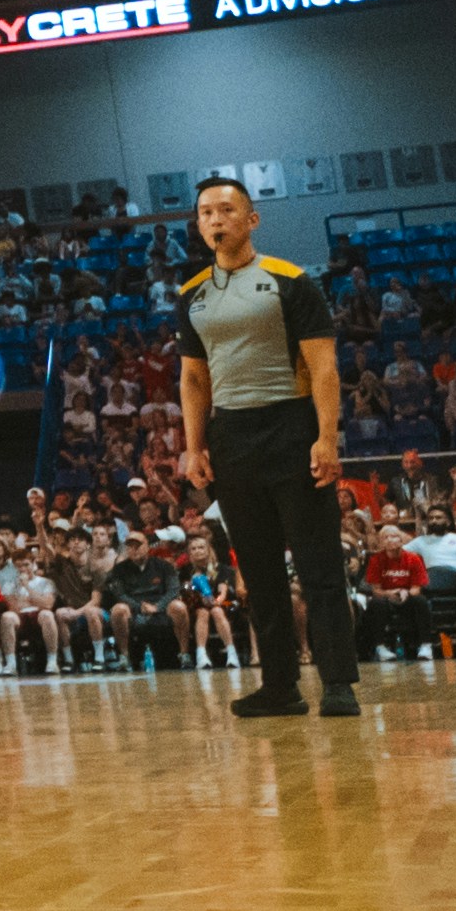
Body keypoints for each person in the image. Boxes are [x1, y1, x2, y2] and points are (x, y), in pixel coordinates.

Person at [173, 173, 361, 723]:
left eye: (227, 210)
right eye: (206, 212)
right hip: (232, 438)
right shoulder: (191, 295)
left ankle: (338, 684)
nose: (215, 220)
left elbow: (325, 366)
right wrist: (194, 448)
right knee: (257, 571)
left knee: (318, 565)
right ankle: (279, 686)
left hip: (292, 428)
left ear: (251, 220)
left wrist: (327, 438)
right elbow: (192, 380)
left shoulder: (291, 280)